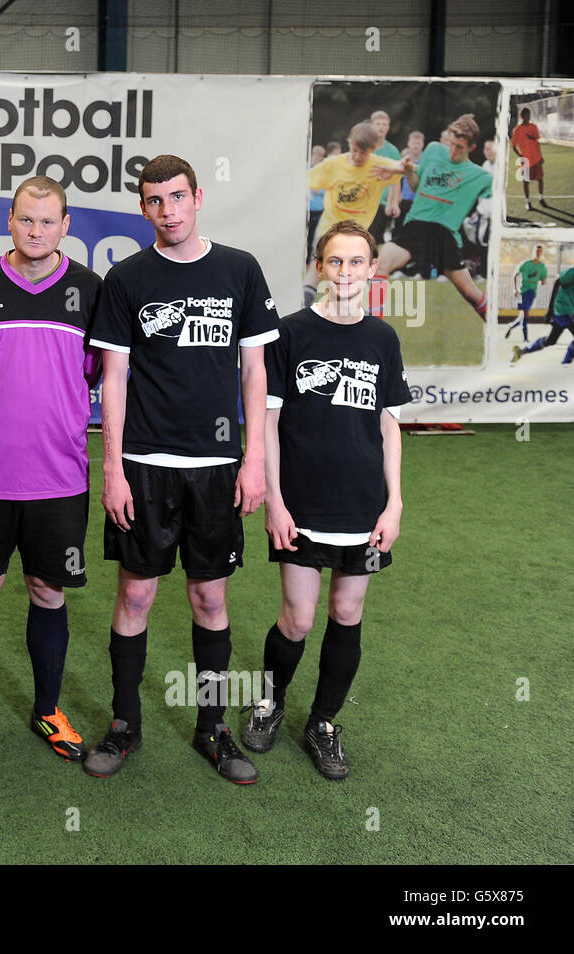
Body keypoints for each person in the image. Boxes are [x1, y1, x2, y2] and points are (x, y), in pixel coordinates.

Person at [85, 154, 278, 783]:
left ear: (198, 197)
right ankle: (123, 724)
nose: (167, 211)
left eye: (176, 197)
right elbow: (112, 381)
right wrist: (111, 469)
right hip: (145, 462)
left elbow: (255, 374)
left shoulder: (239, 269)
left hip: (218, 465)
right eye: (153, 201)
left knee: (208, 594)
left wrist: (254, 461)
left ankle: (213, 729)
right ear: (143, 208)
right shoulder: (127, 279)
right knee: (136, 591)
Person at [244, 220, 410, 780]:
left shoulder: (383, 339)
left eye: (356, 262)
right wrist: (275, 500)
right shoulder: (289, 334)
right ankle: (269, 701)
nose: (345, 273)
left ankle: (324, 722)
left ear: (371, 269)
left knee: (346, 611)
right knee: (298, 617)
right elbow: (266, 422)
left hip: (363, 503)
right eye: (335, 262)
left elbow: (389, 427)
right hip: (304, 502)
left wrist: (394, 505)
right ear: (320, 267)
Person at [0, 175, 102, 762]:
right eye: (25, 219)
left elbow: (98, 377)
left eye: (48, 221)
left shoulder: (91, 290)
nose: (36, 230)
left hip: (59, 477)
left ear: (65, 227)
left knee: (48, 589)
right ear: (9, 222)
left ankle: (48, 709)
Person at [373, 114, 492, 322]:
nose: (453, 152)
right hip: (415, 226)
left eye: (460, 148)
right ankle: (374, 331)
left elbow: (503, 198)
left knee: (471, 294)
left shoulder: (481, 176)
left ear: (472, 148)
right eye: (452, 144)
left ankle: (499, 329)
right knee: (379, 266)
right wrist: (410, 172)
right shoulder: (434, 150)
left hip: (444, 236)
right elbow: (417, 186)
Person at [304, 122, 406, 305]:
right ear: (349, 142)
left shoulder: (378, 166)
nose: (358, 156)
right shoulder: (333, 165)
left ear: (374, 149)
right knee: (317, 269)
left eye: (364, 153)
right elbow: (303, 180)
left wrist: (400, 169)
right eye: (355, 150)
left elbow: (409, 169)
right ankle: (305, 301)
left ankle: (356, 316)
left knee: (350, 280)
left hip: (356, 235)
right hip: (330, 229)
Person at [513, 265, 574, 366]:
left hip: (568, 310)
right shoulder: (572, 272)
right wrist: (550, 310)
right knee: (551, 340)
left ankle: (521, 351)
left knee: (551, 340)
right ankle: (566, 362)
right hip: (564, 310)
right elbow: (558, 282)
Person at [366, 110, 405, 243]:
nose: (381, 127)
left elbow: (397, 179)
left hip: (382, 203)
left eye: (384, 124)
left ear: (388, 127)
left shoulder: (393, 151)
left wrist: (393, 202)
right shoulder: (364, 147)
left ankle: (377, 261)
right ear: (371, 126)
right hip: (363, 201)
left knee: (374, 238)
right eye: (378, 124)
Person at [506, 245, 547, 341]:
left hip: (532, 293)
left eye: (540, 252)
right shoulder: (526, 264)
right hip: (523, 292)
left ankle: (511, 326)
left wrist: (543, 281)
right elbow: (515, 275)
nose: (538, 253)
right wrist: (515, 289)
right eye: (536, 251)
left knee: (523, 315)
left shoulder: (542, 267)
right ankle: (525, 339)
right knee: (526, 315)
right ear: (533, 252)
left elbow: (543, 280)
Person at [510, 106, 546, 211]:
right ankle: (528, 202)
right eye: (526, 115)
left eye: (529, 115)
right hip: (526, 160)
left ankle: (541, 198)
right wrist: (520, 155)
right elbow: (513, 146)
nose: (528, 117)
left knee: (540, 180)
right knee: (526, 181)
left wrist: (541, 156)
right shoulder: (517, 130)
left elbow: (537, 142)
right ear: (522, 117)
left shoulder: (534, 127)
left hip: (536, 158)